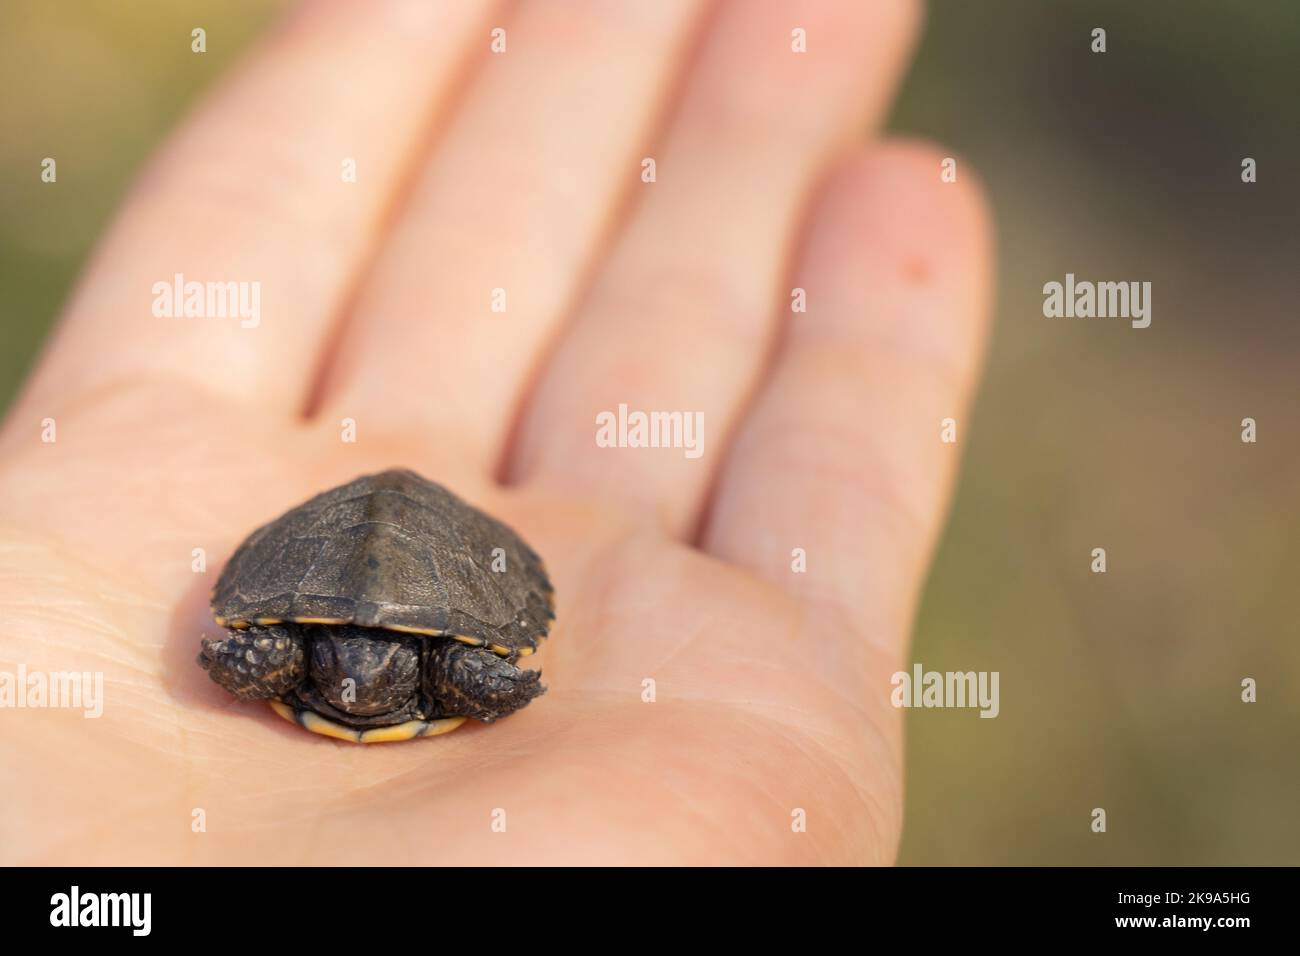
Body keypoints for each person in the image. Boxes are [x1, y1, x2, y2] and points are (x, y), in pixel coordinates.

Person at [0, 0, 990, 864]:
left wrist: (489, 680)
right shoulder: (295, 656)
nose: (348, 673)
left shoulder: (442, 667)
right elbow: (243, 645)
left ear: (412, 668)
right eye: (341, 658)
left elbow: (499, 674)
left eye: (369, 662)